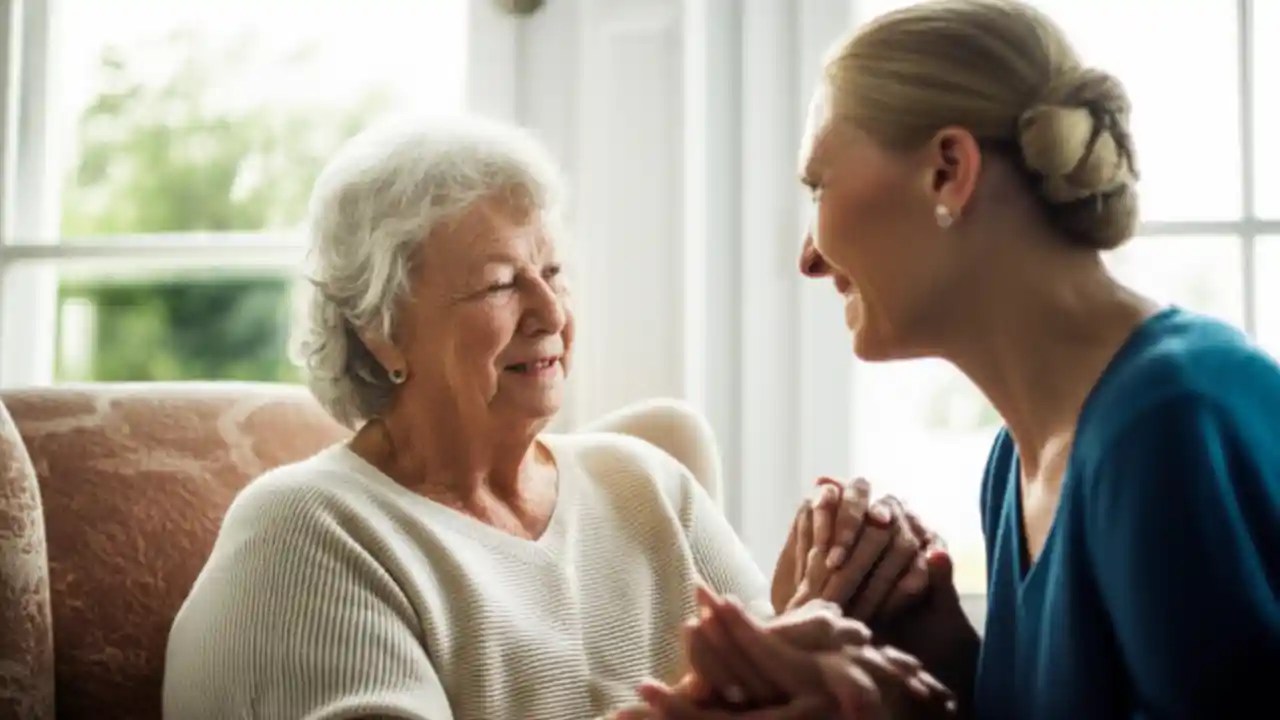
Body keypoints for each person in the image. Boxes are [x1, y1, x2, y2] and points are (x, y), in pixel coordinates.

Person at [161, 115, 936, 720]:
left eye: (554, 271)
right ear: (383, 328)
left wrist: (829, 606)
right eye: (501, 284)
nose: (549, 313)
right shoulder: (305, 532)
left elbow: (782, 695)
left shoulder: (643, 483)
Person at [628, 0, 1280, 717]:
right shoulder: (1016, 459)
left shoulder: (1169, 420)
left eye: (819, 186)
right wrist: (935, 660)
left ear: (948, 170)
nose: (809, 258)